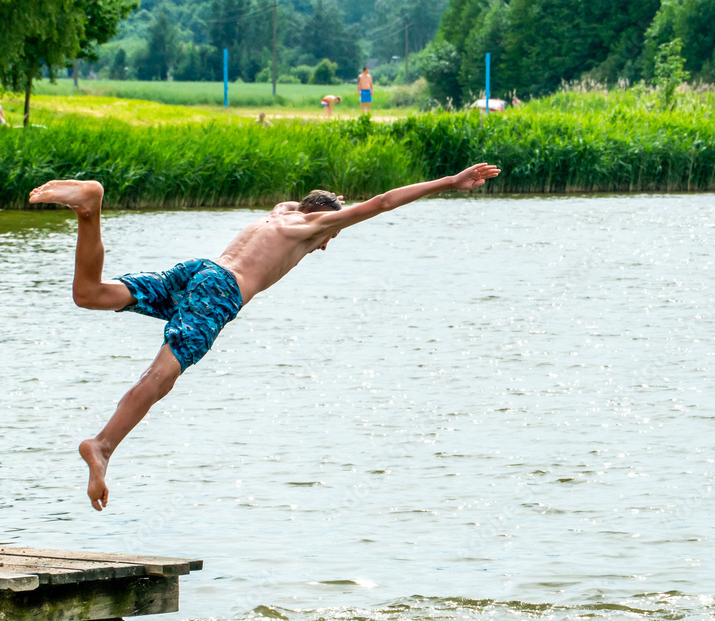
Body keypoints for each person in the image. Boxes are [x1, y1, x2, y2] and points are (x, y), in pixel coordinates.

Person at [27, 163, 501, 511]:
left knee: (92, 294)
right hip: (220, 292)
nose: (326, 246)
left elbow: (305, 203)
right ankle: (103, 445)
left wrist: (317, 203)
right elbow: (382, 202)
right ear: (325, 221)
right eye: (330, 237)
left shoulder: (276, 213)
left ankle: (89, 211)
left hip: (200, 271)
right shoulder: (312, 224)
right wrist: (450, 182)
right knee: (161, 376)